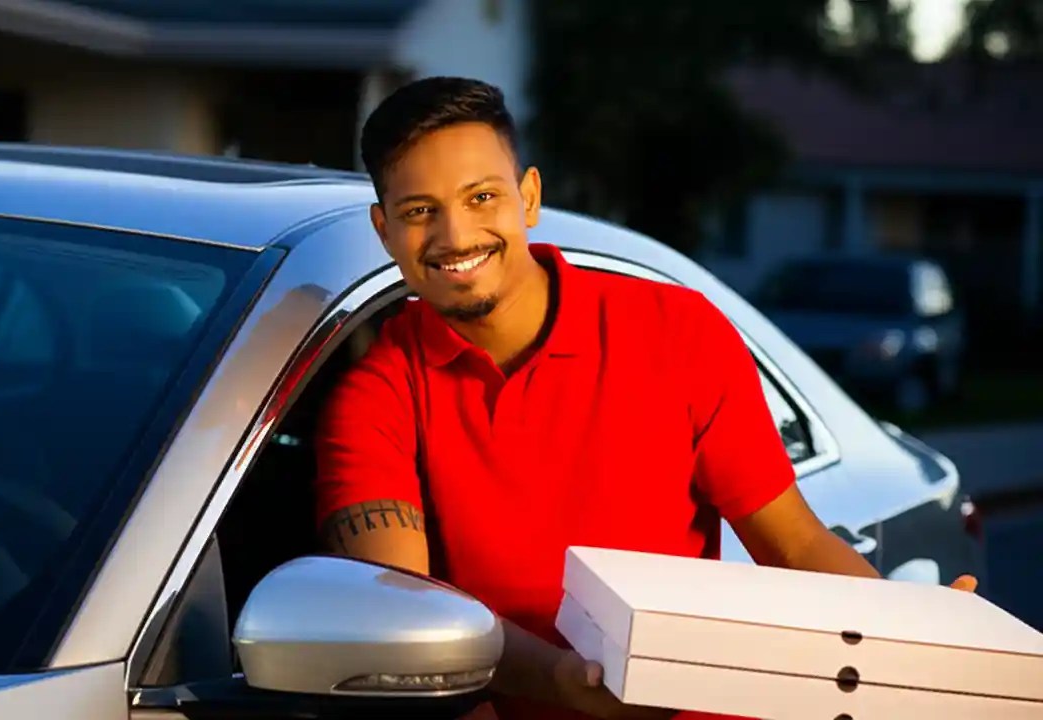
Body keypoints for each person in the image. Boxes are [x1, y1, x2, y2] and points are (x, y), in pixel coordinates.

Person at [311, 76, 977, 720]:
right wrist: (562, 681)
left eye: (482, 197)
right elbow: (412, 623)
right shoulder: (374, 402)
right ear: (384, 228)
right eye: (420, 211)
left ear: (529, 196)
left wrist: (914, 635)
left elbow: (795, 544)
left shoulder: (676, 331)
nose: (455, 237)